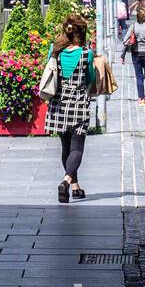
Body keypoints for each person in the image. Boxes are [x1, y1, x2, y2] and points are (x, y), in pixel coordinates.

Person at [44, 12, 96, 203]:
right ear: (81, 33)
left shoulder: (54, 51)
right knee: (77, 149)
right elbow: (90, 79)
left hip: (58, 104)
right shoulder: (86, 54)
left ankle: (75, 187)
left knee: (65, 146)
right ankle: (66, 181)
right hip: (79, 104)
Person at [121, 3, 145, 105]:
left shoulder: (133, 26)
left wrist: (123, 55)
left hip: (136, 53)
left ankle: (141, 99)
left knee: (139, 76)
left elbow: (125, 41)